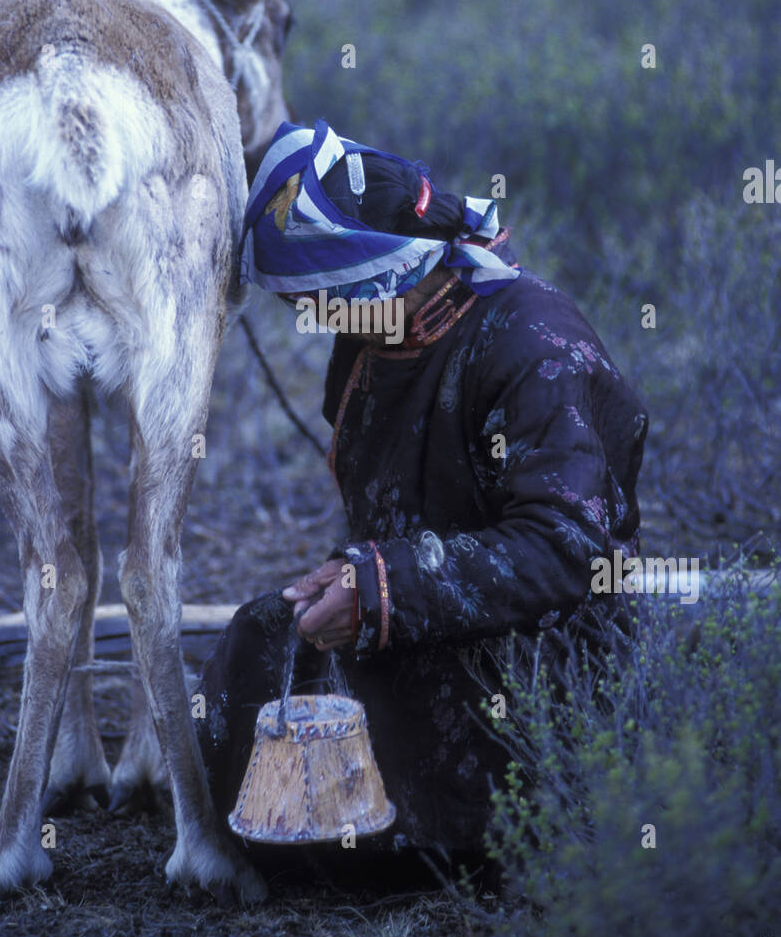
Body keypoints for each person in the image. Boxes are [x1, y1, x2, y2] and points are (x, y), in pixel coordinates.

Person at [196, 118, 649, 893]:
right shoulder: (377, 335)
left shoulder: (535, 348)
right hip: (422, 612)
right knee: (263, 640)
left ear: (379, 275)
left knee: (385, 758)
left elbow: (567, 548)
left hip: (536, 647)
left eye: (323, 298)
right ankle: (300, 843)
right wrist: (350, 579)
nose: (316, 318)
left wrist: (378, 587)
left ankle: (450, 844)